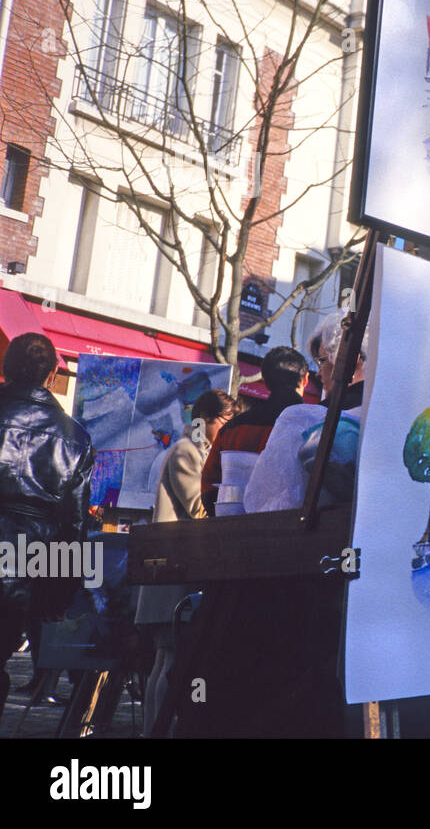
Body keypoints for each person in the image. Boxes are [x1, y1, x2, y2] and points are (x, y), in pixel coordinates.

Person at [0, 333, 95, 709]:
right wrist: (63, 591)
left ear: (6, 369)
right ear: (53, 374)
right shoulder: (75, 436)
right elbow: (73, 525)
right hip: (22, 570)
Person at [134, 388, 234, 735]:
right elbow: (198, 508)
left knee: (167, 657)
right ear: (203, 419)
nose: (228, 426)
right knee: (170, 657)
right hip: (175, 569)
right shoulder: (187, 451)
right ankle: (159, 730)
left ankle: (154, 731)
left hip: (178, 569)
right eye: (225, 419)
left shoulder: (198, 450)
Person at [243, 313, 367, 514]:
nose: (318, 373)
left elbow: (263, 505)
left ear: (352, 361)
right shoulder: (392, 420)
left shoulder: (303, 418)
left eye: (322, 361)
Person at [200, 346, 308, 512]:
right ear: (305, 379)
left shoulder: (231, 430)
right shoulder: (311, 426)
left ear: (265, 381)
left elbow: (209, 489)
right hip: (289, 528)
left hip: (231, 524)